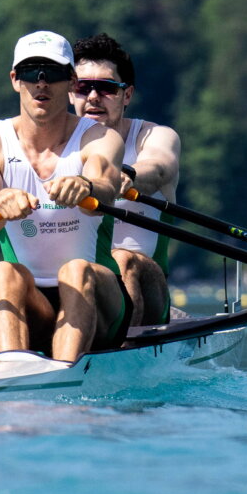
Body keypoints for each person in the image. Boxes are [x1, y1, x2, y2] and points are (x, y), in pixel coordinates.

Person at [0, 30, 127, 360]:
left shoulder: (99, 138)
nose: (40, 84)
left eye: (51, 73)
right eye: (30, 73)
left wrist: (87, 188)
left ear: (71, 82)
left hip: (101, 301)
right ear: (14, 79)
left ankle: (63, 373)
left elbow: (105, 192)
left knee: (75, 270)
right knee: (4, 273)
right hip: (32, 302)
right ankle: (11, 372)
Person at [72, 33, 179, 327]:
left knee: (121, 258)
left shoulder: (154, 137)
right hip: (77, 285)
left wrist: (126, 175)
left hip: (147, 287)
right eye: (83, 87)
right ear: (71, 93)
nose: (93, 97)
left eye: (106, 88)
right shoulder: (52, 149)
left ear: (126, 95)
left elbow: (158, 168)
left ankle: (123, 343)